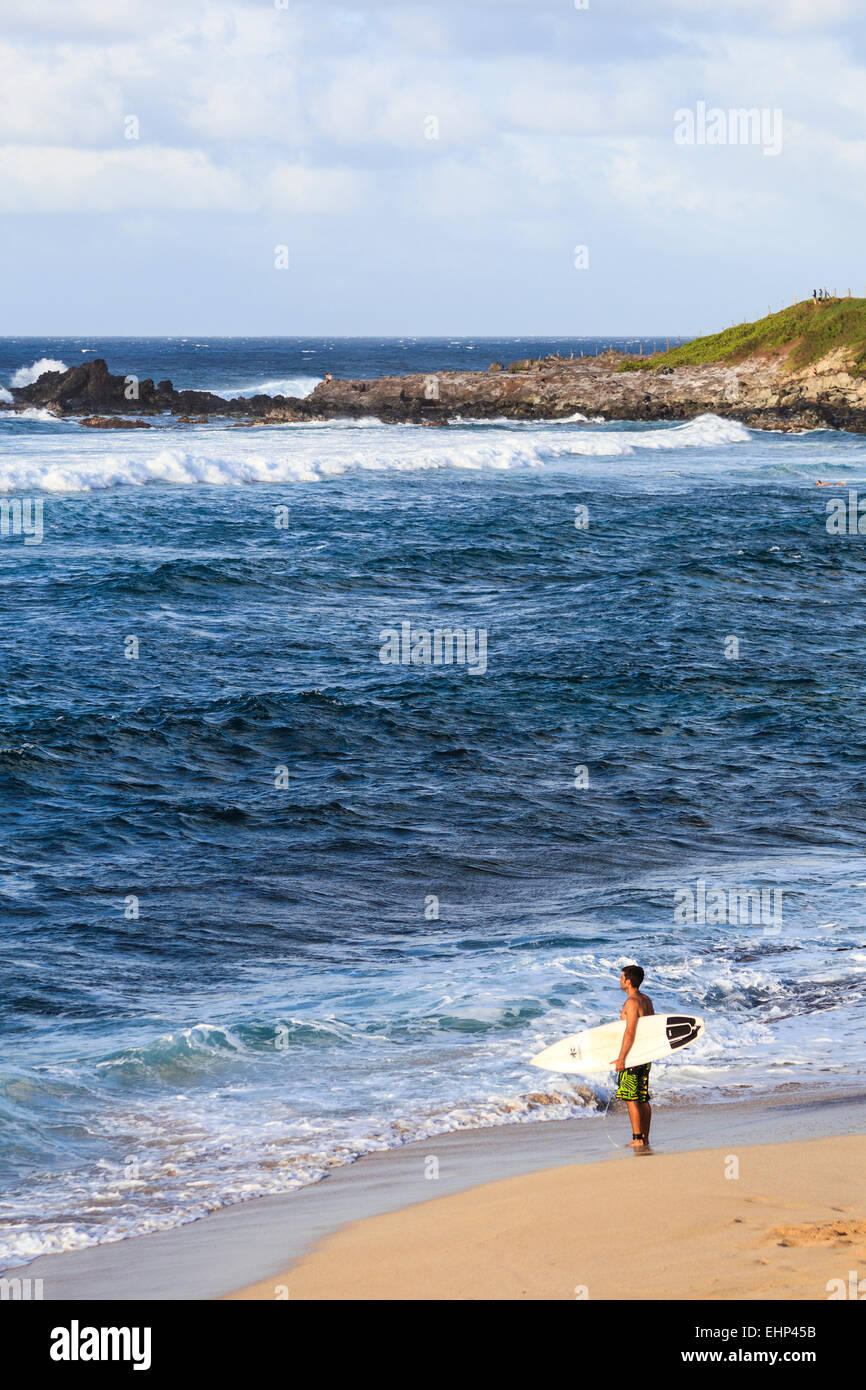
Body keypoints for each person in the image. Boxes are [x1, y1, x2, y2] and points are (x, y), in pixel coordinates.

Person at [611, 964, 654, 1147]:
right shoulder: (646, 1000)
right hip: (645, 1055)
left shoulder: (631, 1002)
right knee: (642, 1098)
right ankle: (644, 1137)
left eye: (622, 977)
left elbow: (630, 1032)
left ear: (628, 981)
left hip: (633, 1057)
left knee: (631, 1098)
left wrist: (622, 1058)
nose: (620, 980)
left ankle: (637, 1138)